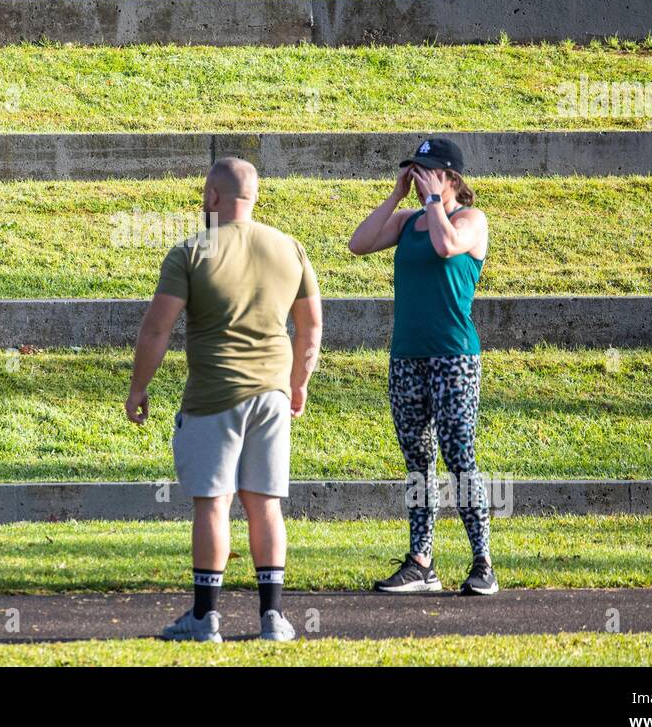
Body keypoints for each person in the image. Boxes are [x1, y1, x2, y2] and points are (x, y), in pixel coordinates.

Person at [126, 157, 323, 642]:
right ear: (253, 196)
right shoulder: (288, 248)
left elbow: (157, 329)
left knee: (212, 505)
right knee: (266, 505)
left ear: (213, 197)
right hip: (273, 394)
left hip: (213, 395)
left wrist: (138, 386)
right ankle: (272, 618)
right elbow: (311, 326)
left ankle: (205, 617)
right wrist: (298, 381)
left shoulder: (191, 251)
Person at [347, 137, 498, 596]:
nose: (420, 180)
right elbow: (359, 243)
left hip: (454, 357)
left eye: (429, 171)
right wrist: (397, 194)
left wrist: (435, 200)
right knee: (418, 462)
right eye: (415, 171)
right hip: (407, 356)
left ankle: (482, 563)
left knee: (459, 457)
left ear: (452, 178)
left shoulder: (469, 220)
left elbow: (448, 245)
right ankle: (421, 561)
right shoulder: (407, 219)